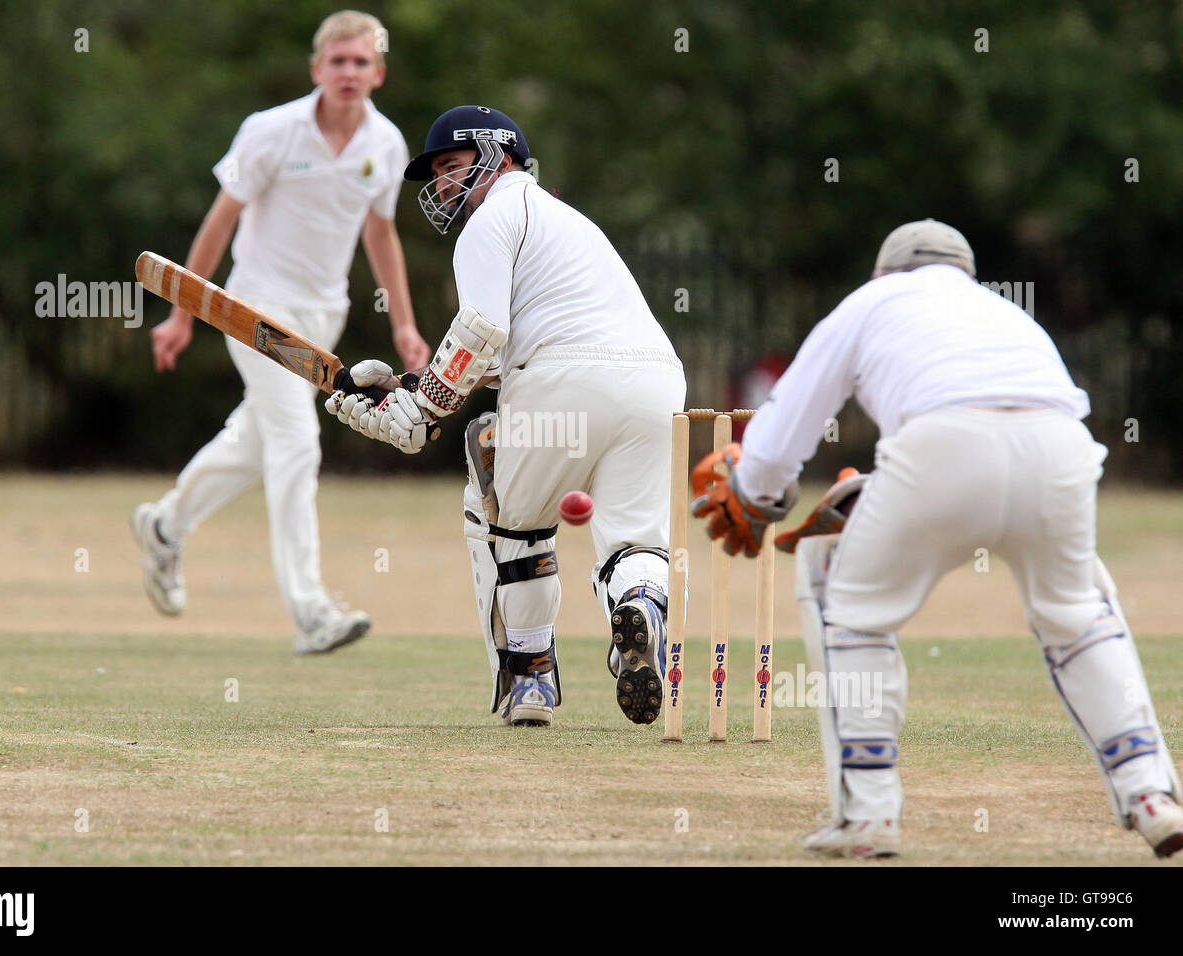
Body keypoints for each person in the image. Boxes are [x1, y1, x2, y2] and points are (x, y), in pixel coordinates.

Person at [691, 219, 1183, 859]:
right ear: (966, 273)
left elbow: (786, 426)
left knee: (849, 603)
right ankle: (1152, 794)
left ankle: (867, 815)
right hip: (1061, 451)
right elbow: (1013, 417)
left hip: (941, 448)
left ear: (883, 272)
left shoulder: (871, 302)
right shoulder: (1002, 312)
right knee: (1078, 615)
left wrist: (757, 495)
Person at [326, 105, 686, 728]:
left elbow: (484, 329)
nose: (440, 183)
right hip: (657, 383)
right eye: (434, 172)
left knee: (503, 507)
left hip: (562, 385)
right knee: (635, 539)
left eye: (451, 165)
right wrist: (411, 386)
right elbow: (515, 345)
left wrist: (419, 409)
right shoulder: (568, 220)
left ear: (500, 156)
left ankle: (531, 679)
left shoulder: (490, 219)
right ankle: (640, 608)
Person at [130, 10, 431, 654]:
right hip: (257, 308)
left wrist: (404, 325)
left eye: (361, 62)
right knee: (297, 444)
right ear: (317, 68)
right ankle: (311, 610)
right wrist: (184, 312)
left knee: (253, 443)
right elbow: (222, 218)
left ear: (378, 73)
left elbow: (381, 234)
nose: (349, 73)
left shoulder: (386, 144)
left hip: (325, 313)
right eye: (337, 61)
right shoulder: (270, 131)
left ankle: (164, 526)